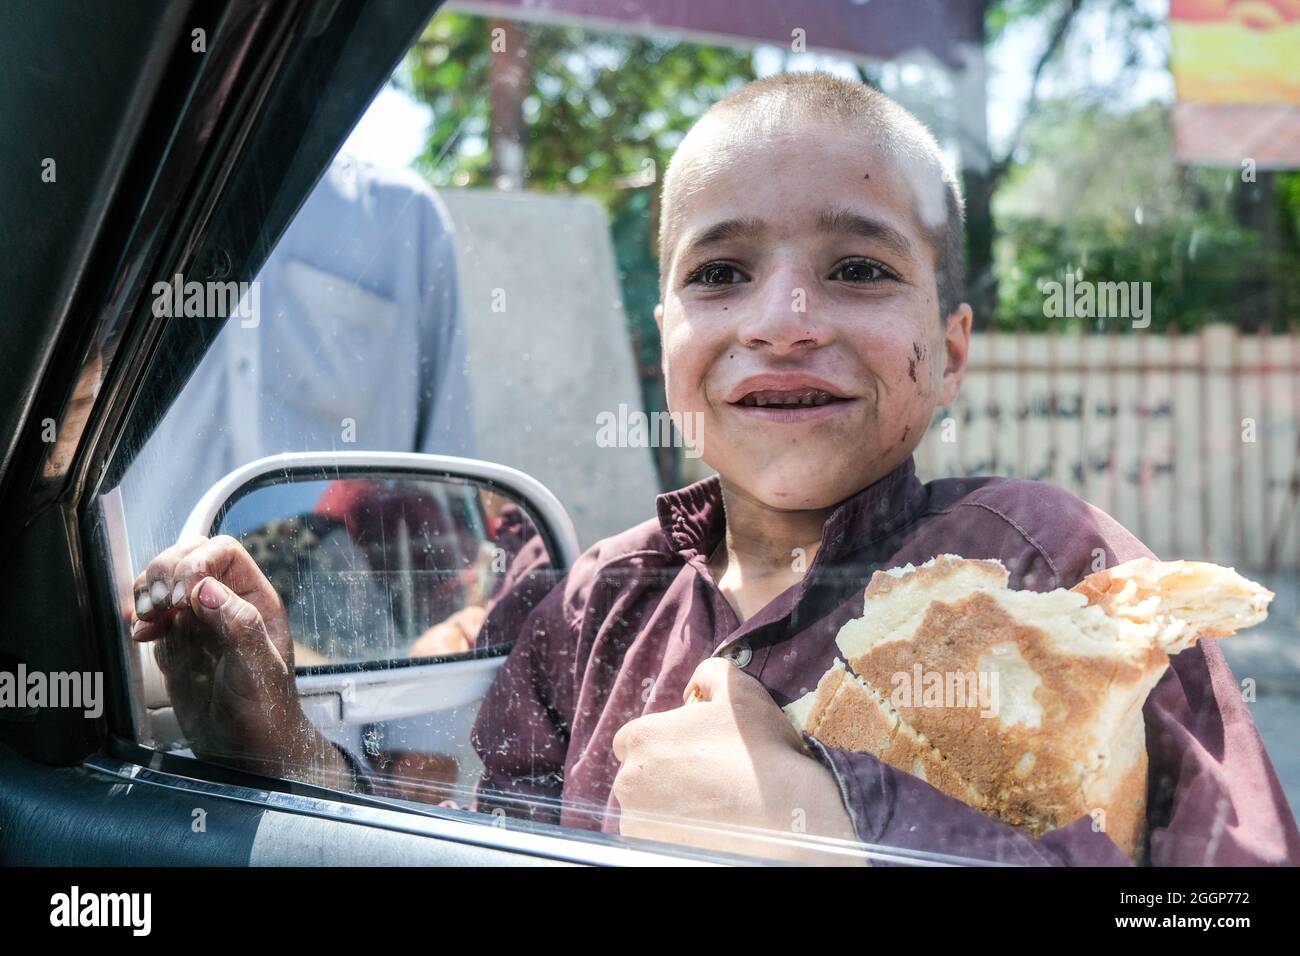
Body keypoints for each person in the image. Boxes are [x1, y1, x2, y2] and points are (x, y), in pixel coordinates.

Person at [130, 73, 1299, 866]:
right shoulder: (595, 608)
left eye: (856, 268)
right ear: (665, 342)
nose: (783, 318)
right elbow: (472, 845)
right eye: (721, 273)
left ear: (948, 352)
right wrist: (275, 744)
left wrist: (844, 832)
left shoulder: (1056, 574)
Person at [121, 154, 475, 570]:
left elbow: (450, 493)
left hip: (346, 620)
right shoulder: (109, 212)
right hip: (130, 618)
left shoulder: (406, 219)